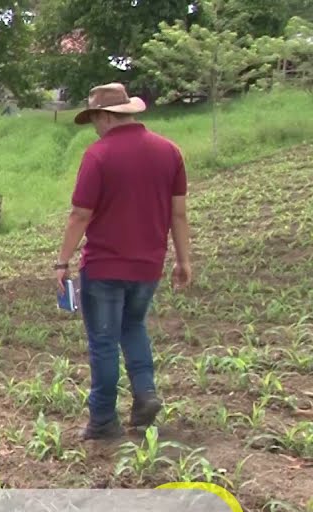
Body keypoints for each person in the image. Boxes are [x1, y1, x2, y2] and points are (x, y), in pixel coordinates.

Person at [55, 82, 193, 441]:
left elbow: (80, 214)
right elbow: (179, 214)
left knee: (103, 341)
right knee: (133, 327)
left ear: (105, 116)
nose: (94, 128)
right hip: (149, 266)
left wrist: (62, 262)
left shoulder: (98, 156)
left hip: (104, 267)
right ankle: (145, 394)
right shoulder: (170, 152)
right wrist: (183, 260)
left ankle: (103, 419)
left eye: (94, 120)